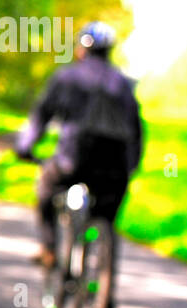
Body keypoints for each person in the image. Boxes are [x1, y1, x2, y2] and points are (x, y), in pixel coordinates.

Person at [15, 22, 143, 281]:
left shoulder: (67, 78)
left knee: (46, 188)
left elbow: (41, 116)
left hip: (72, 161)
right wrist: (131, 165)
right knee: (105, 215)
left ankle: (50, 248)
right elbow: (137, 129)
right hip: (114, 170)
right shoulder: (123, 84)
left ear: (81, 48)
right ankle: (103, 284)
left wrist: (25, 146)